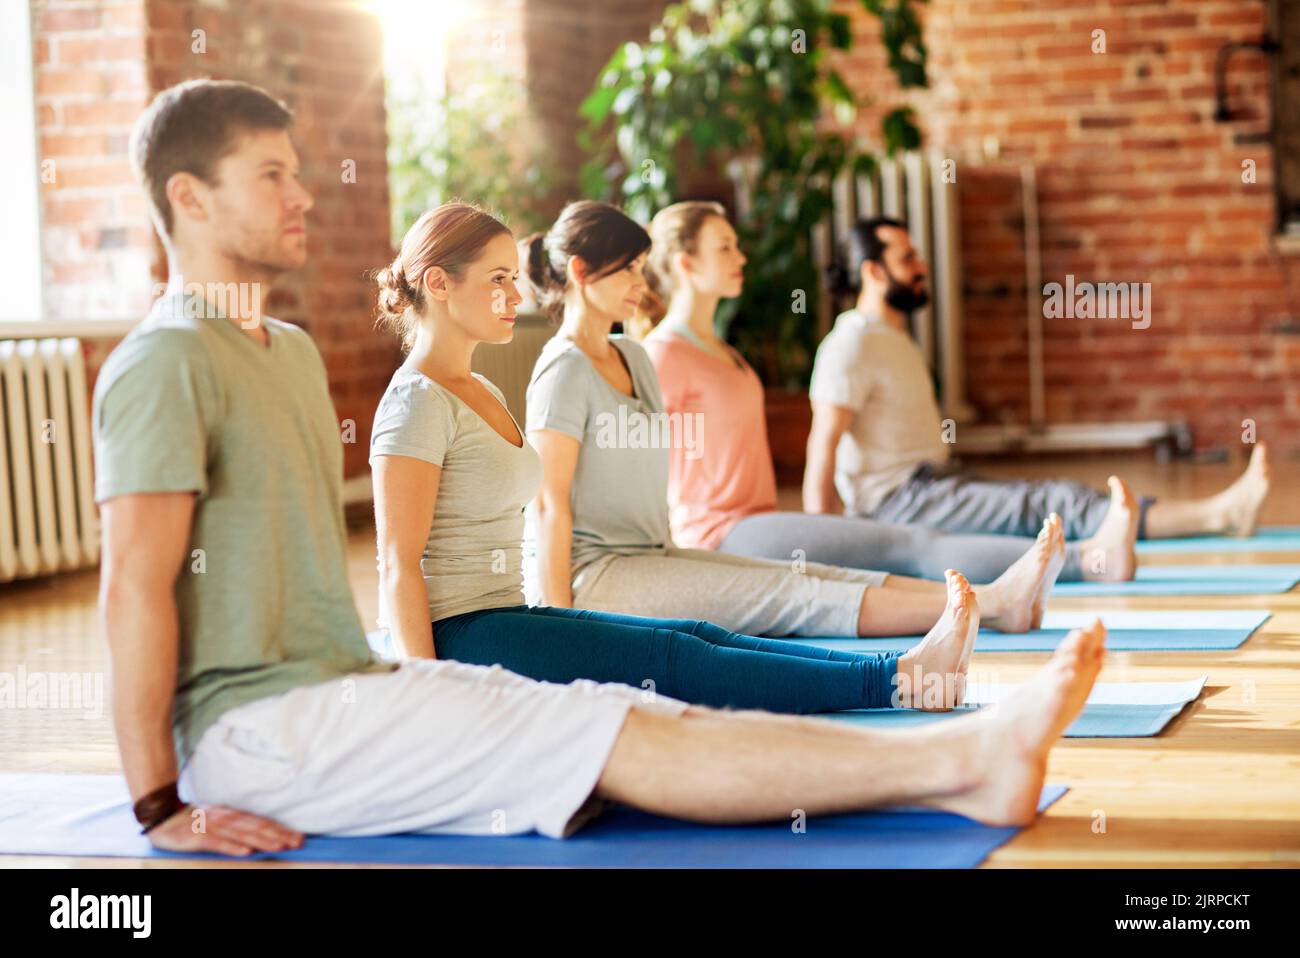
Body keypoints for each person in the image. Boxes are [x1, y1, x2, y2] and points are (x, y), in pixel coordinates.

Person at [95, 78, 1106, 858]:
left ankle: (952, 750)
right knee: (612, 728)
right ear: (187, 196)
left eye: (296, 168)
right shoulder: (165, 360)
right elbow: (135, 588)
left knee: (632, 707)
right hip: (258, 729)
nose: (303, 193)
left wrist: (407, 676)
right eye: (271, 174)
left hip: (346, 684)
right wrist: (158, 804)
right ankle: (966, 757)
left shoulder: (291, 349)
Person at [524, 201, 1070, 639]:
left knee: (812, 575)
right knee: (793, 594)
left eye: (643, 267)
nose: (642, 285)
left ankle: (990, 600)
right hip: (622, 567)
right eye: (629, 270)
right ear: (580, 272)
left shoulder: (635, 357)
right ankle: (1000, 600)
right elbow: (549, 503)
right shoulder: (575, 370)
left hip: (662, 550)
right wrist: (558, 629)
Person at [636, 200, 1139, 584]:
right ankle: (1091, 561)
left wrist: (820, 530)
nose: (740, 256)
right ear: (685, 264)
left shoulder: (726, 353)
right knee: (915, 547)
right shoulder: (664, 354)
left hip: (760, 522)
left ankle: (1037, 584)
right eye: (724, 247)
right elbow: (633, 456)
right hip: (718, 534)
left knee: (913, 551)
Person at [804, 217, 1271, 543]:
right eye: (908, 259)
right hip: (900, 502)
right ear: (873, 271)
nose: (922, 267)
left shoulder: (892, 338)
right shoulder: (851, 345)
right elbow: (822, 448)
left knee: (1044, 498)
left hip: (932, 484)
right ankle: (1221, 514)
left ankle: (1213, 513)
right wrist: (826, 549)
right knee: (1049, 503)